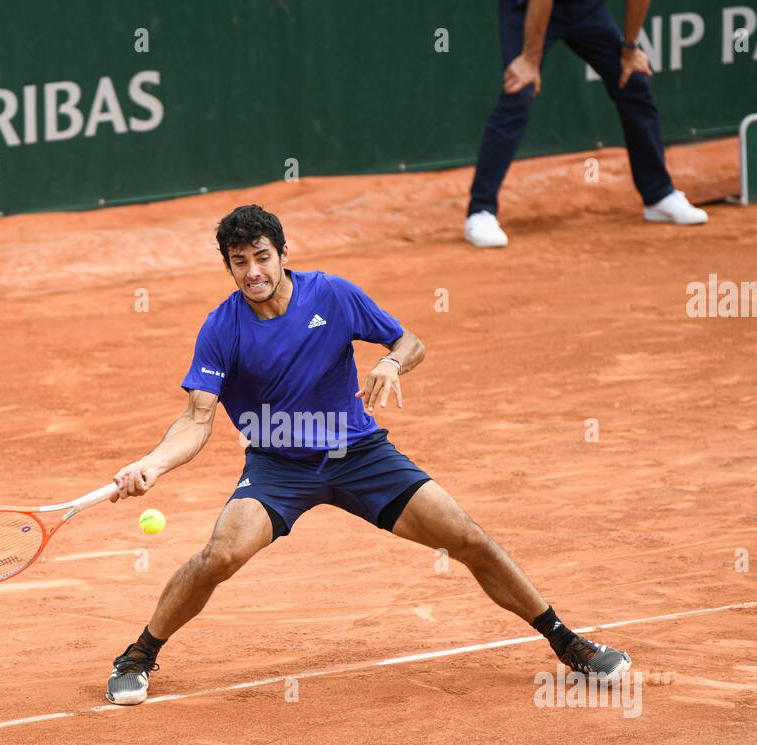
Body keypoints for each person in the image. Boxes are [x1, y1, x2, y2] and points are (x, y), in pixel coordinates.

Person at [104, 204, 630, 705]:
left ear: (283, 253)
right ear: (228, 267)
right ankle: (139, 654)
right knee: (218, 555)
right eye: (239, 262)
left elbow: (410, 341)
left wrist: (393, 365)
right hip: (278, 466)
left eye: (261, 257)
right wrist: (153, 462)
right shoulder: (222, 328)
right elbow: (197, 419)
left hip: (357, 453)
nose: (252, 272)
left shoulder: (332, 295)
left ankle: (567, 642)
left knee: (468, 537)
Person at [465, 0, 708, 248]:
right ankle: (480, 211)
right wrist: (529, 60)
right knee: (519, 91)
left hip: (585, 8)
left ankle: (658, 195)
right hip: (527, 8)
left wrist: (630, 49)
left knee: (633, 81)